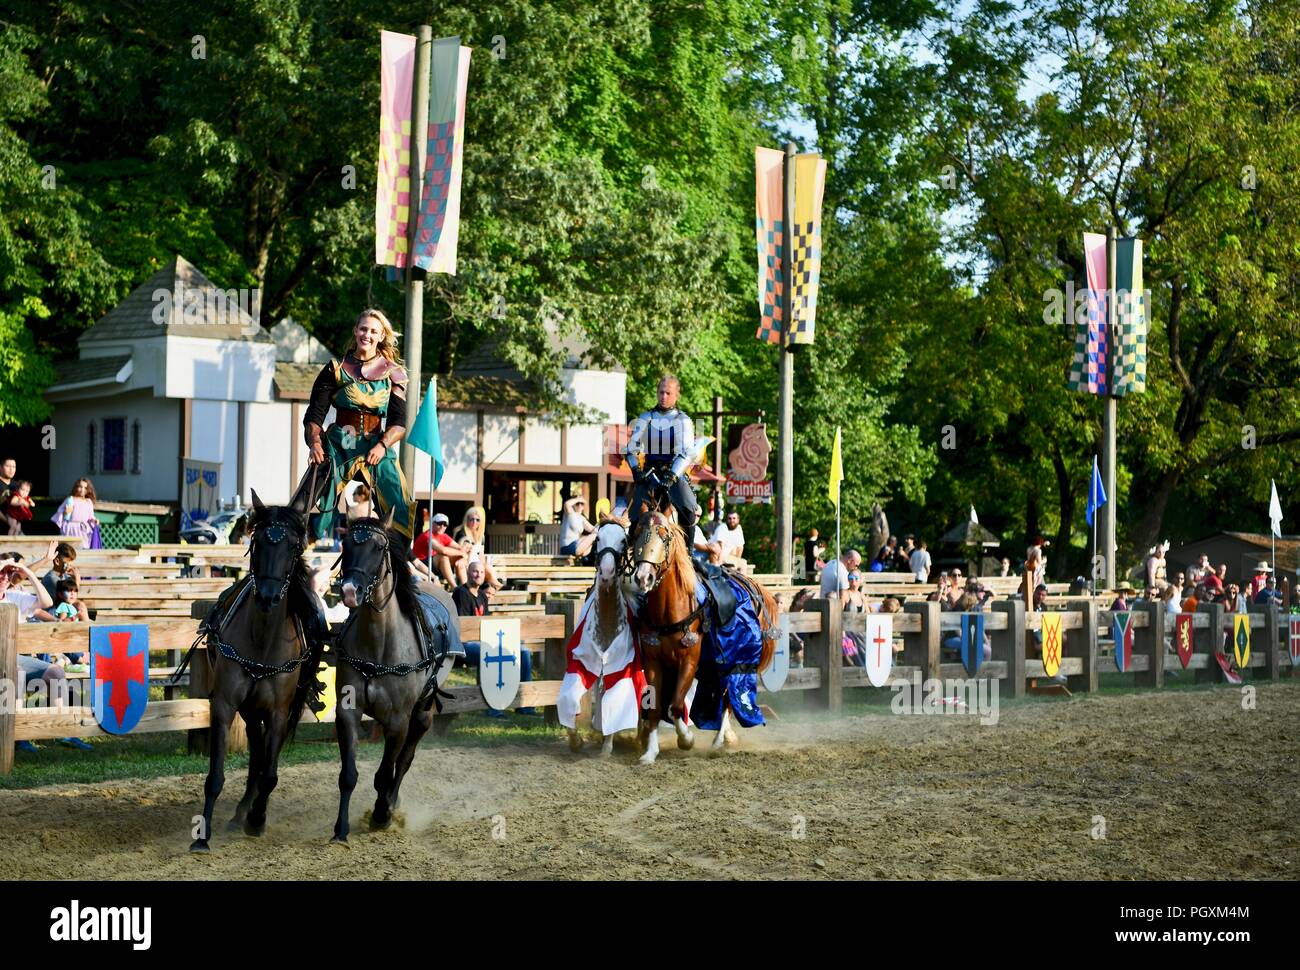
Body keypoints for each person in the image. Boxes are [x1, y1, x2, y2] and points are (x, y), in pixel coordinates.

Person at [304, 308, 415, 543]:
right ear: (356, 331)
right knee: (314, 490)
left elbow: (399, 422)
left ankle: (401, 555)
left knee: (399, 499)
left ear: (381, 336)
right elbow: (315, 416)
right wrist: (315, 442)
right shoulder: (335, 369)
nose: (367, 334)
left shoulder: (394, 374)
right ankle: (301, 540)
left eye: (374, 331)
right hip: (340, 441)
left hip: (376, 443)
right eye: (363, 329)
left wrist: (383, 445)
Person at [451, 561, 535, 716]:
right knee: (492, 652)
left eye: (481, 572)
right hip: (465, 644)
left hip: (484, 639)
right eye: (475, 571)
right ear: (468, 573)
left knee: (524, 652)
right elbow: (463, 626)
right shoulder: (460, 593)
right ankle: (494, 708)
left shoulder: (483, 595)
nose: (478, 575)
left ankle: (525, 705)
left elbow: (487, 622)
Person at [626, 374, 700, 536]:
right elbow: (631, 448)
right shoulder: (646, 417)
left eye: (668, 393)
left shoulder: (683, 420)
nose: (664, 397)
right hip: (648, 474)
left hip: (673, 475)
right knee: (632, 516)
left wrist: (672, 476)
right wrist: (636, 471)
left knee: (689, 511)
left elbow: (686, 452)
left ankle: (688, 554)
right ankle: (625, 554)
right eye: (661, 392)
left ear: (676, 396)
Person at [412, 512, 465, 588]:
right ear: (432, 523)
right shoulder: (427, 535)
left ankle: (465, 586)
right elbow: (443, 550)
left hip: (433, 565)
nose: (442, 527)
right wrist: (461, 553)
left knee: (459, 559)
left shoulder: (443, 536)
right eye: (439, 523)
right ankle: (455, 587)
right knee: (443, 557)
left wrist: (462, 556)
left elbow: (460, 548)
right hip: (421, 565)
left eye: (445, 525)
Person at [52, 477, 101, 548]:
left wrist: (95, 520)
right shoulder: (70, 499)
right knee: (70, 548)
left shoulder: (88, 502)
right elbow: (60, 513)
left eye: (85, 488)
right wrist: (65, 512)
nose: (82, 490)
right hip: (71, 528)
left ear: (88, 490)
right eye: (80, 487)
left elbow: (90, 516)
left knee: (83, 547)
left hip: (83, 530)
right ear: (76, 487)